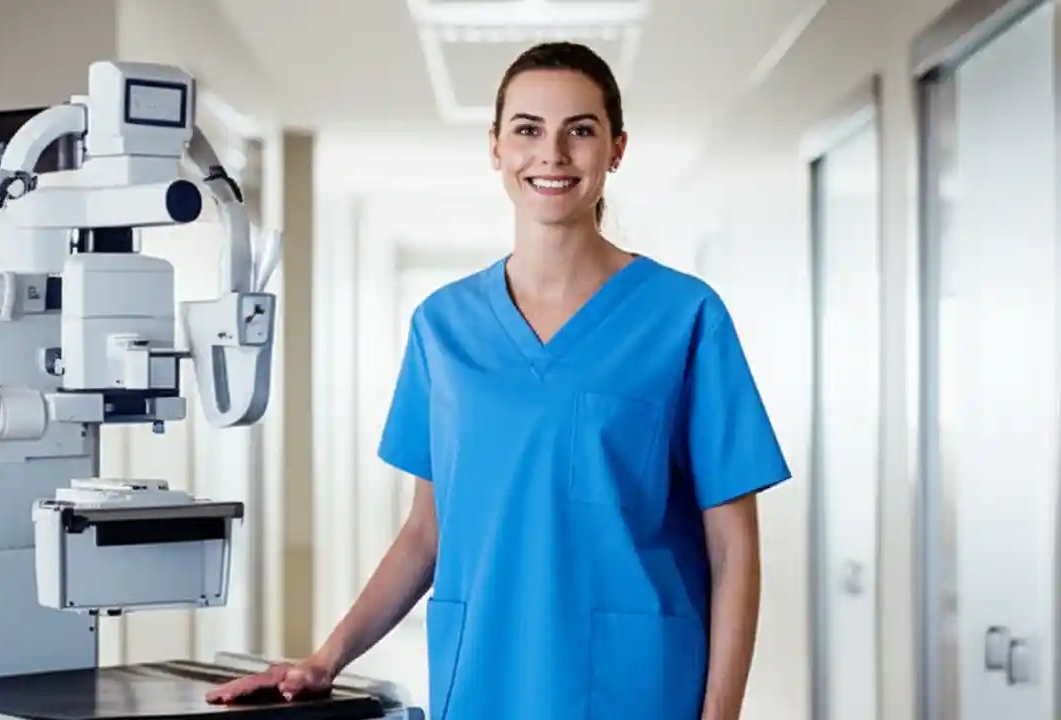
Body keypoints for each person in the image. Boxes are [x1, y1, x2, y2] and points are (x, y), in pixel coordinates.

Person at [207, 41, 790, 720]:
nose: (552, 155)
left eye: (580, 131)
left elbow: (734, 544)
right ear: (495, 147)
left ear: (617, 148)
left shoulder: (685, 316)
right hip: (485, 678)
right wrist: (326, 658)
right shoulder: (443, 327)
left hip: (640, 687)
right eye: (527, 130)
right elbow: (426, 533)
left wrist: (720, 715)